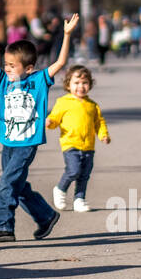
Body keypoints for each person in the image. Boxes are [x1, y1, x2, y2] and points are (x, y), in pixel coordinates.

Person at [0, 10, 78, 243]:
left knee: (5, 185)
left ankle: (3, 227)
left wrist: (66, 35)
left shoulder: (38, 80)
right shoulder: (3, 79)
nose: (7, 68)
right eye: (6, 64)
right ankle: (45, 216)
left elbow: (61, 62)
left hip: (27, 143)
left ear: (28, 68)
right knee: (18, 185)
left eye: (12, 65)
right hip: (8, 142)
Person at [46, 65, 110, 213]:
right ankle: (60, 189)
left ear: (90, 85)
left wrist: (103, 135)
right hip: (70, 144)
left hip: (88, 146)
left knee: (84, 175)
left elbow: (99, 122)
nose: (80, 86)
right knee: (73, 171)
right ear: (68, 84)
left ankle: (79, 199)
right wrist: (50, 122)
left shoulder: (92, 105)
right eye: (76, 83)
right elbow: (55, 117)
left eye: (84, 83)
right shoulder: (63, 102)